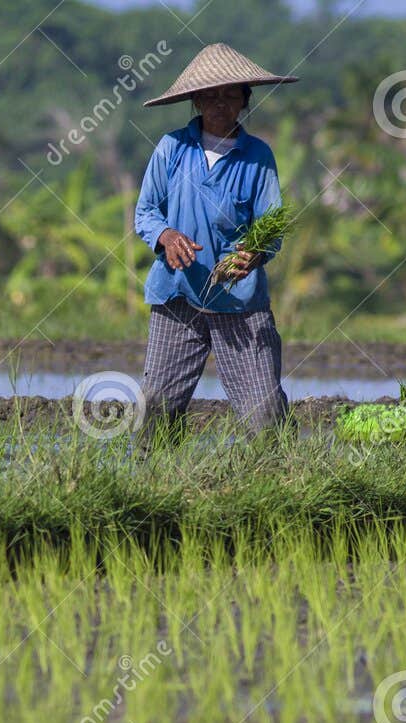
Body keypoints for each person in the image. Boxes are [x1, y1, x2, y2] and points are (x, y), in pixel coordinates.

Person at [133, 43, 299, 447]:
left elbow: (271, 226)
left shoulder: (257, 156)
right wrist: (166, 236)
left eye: (229, 94)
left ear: (245, 100)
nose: (219, 103)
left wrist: (254, 254)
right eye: (210, 95)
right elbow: (145, 213)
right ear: (195, 100)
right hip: (178, 295)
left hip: (238, 301)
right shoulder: (171, 148)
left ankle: (282, 477)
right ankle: (155, 483)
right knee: (156, 408)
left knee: (263, 416)